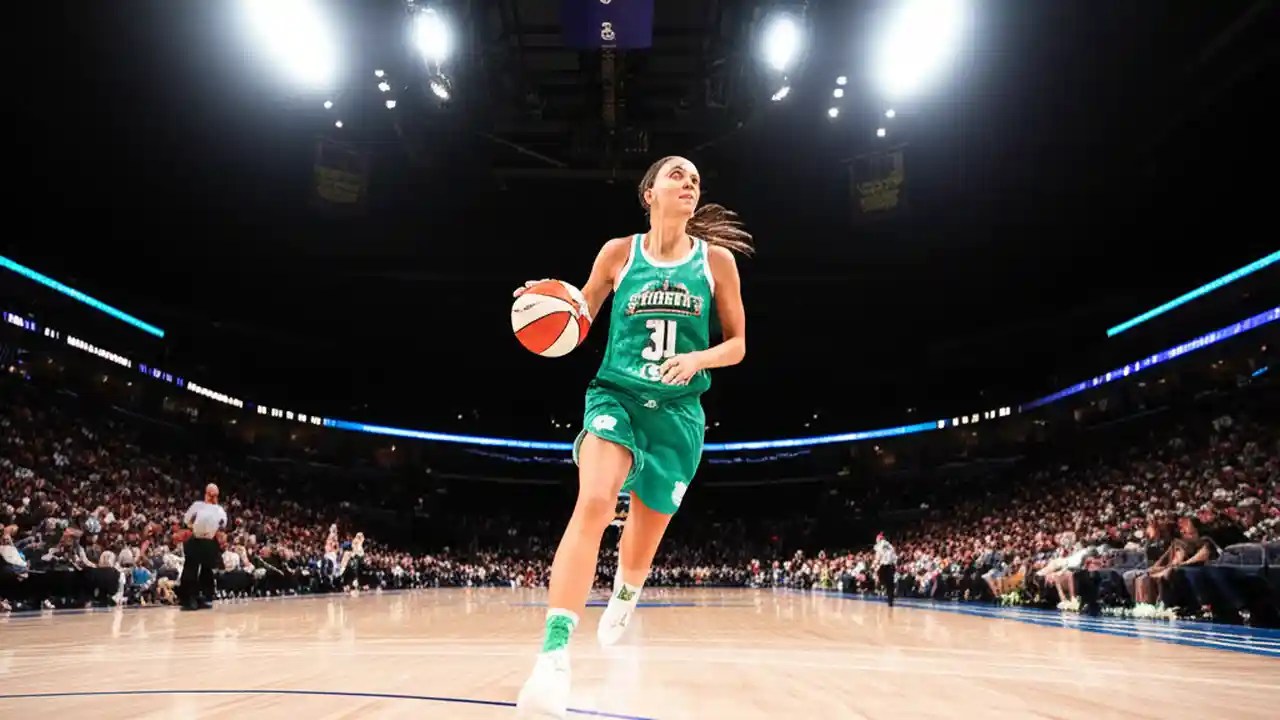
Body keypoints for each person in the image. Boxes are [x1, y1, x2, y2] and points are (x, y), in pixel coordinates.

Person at [515, 155, 749, 718]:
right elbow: (583, 314)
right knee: (594, 500)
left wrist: (698, 357)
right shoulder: (618, 253)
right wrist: (547, 303)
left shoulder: (715, 262)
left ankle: (626, 590)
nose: (689, 183)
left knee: (641, 543)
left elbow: (738, 344)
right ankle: (553, 657)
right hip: (615, 394)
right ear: (650, 192)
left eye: (696, 177)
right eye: (677, 175)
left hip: (678, 411)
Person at [179, 483, 227, 611]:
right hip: (195, 539)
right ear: (206, 493)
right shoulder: (197, 506)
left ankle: (204, 597)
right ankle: (189, 599)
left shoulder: (220, 510)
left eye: (215, 495)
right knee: (191, 569)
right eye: (211, 494)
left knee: (207, 570)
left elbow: (222, 526)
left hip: (210, 541)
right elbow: (186, 521)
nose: (213, 497)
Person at [873, 532, 898, 607]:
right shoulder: (890, 545)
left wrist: (874, 565)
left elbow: (878, 556)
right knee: (890, 585)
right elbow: (895, 557)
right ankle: (890, 601)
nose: (876, 540)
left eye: (876, 539)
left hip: (884, 566)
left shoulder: (879, 545)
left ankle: (881, 588)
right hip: (891, 566)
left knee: (880, 579)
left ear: (879, 539)